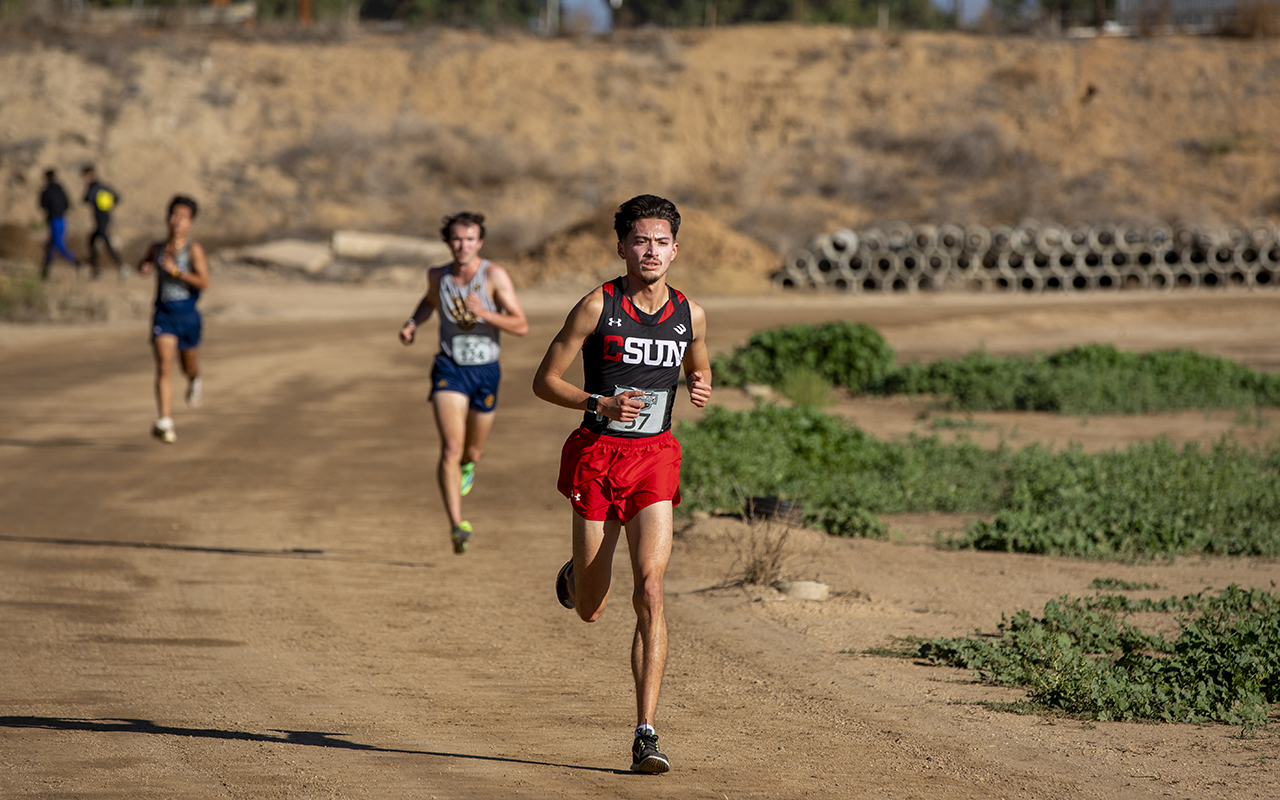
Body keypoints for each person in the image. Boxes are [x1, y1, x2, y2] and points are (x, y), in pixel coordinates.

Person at [532, 194, 712, 774]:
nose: (651, 251)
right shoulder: (596, 307)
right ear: (622, 248)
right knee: (591, 608)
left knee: (651, 591)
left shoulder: (691, 312)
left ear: (676, 249)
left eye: (661, 242)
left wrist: (701, 384)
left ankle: (645, 733)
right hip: (598, 455)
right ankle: (575, 578)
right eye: (641, 241)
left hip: (655, 457)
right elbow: (544, 380)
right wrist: (600, 401)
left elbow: (697, 364)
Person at [399, 212, 528, 554]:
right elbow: (429, 302)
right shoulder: (437, 275)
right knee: (451, 448)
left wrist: (485, 312)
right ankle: (457, 525)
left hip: (486, 372)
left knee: (472, 450)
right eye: (457, 239)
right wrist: (413, 322)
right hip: (450, 368)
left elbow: (520, 324)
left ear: (480, 242)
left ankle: (469, 465)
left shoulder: (494, 275)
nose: (463, 245)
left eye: (470, 239)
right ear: (448, 242)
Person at [137, 196, 209, 444]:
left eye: (183, 217)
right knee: (164, 366)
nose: (177, 221)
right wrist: (145, 267)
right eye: (174, 215)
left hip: (188, 316)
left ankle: (194, 378)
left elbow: (204, 282)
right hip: (164, 314)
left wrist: (177, 272)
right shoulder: (157, 248)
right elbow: (145, 262)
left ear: (190, 223)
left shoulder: (193, 250)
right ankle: (165, 421)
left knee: (186, 365)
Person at [82, 164, 124, 279]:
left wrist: (106, 204)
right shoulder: (98, 186)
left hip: (103, 219)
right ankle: (97, 268)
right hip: (100, 219)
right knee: (93, 242)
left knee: (105, 242)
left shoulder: (96, 187)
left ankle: (120, 266)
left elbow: (87, 199)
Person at [39, 169, 80, 279]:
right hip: (62, 219)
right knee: (50, 246)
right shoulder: (61, 189)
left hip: (54, 220)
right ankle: (44, 272)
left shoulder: (47, 191)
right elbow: (67, 204)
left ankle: (77, 262)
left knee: (58, 245)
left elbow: (42, 205)